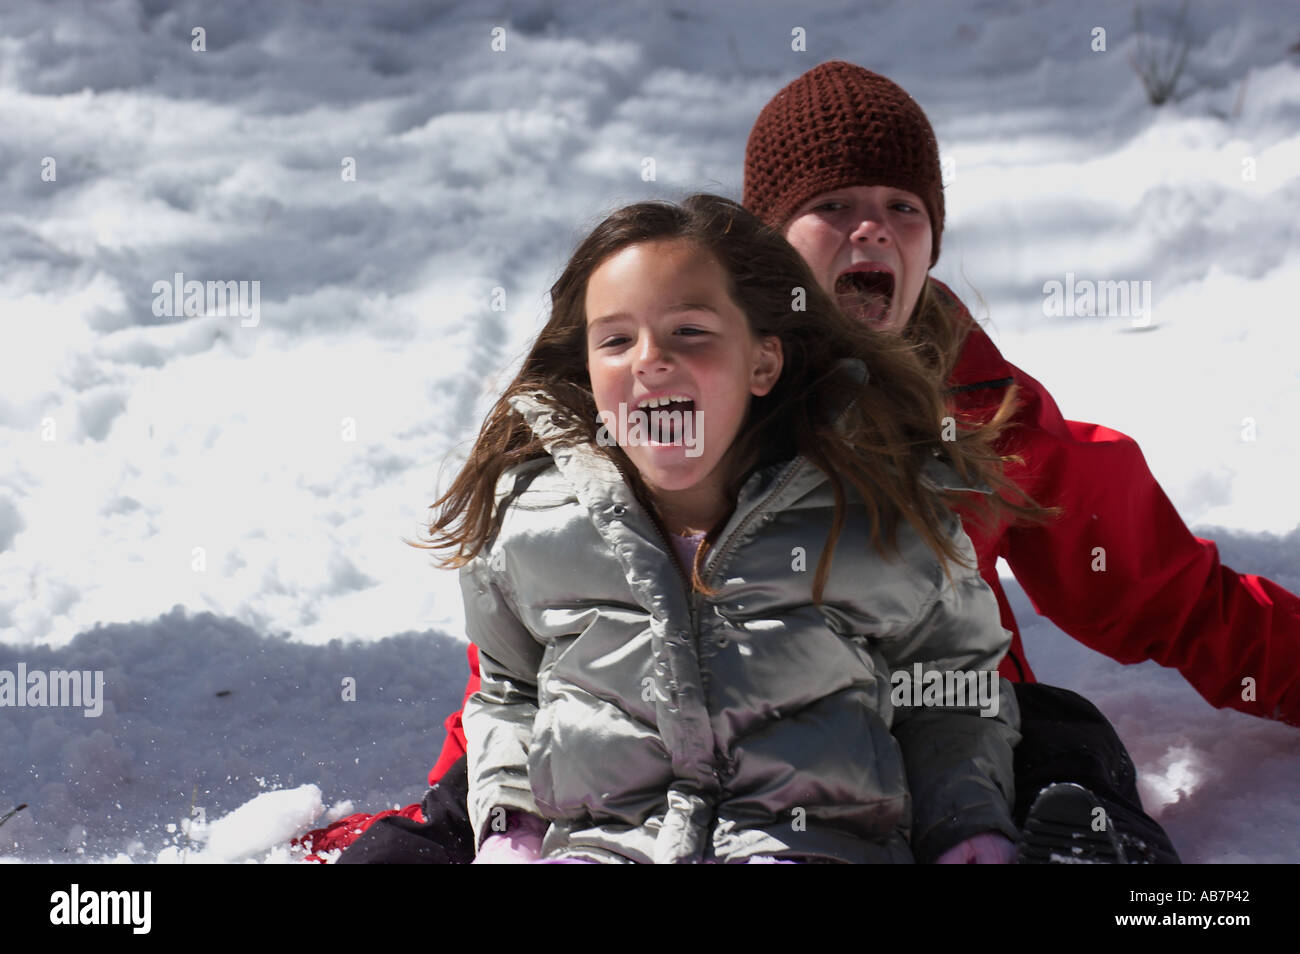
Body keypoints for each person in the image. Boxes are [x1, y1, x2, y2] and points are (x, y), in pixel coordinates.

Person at [304, 60, 1300, 866]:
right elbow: (552, 610)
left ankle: (1095, 855)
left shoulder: (981, 416)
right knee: (511, 759)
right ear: (768, 253)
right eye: (833, 205)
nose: (872, 227)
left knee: (1056, 730)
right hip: (690, 744)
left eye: (903, 208)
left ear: (932, 242)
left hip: (931, 726)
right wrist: (479, 787)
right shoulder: (695, 391)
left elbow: (1168, 596)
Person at [435, 192, 1053, 864]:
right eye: (616, 339)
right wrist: (510, 830)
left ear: (763, 363)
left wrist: (966, 828)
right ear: (587, 367)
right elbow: (510, 694)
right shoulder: (537, 527)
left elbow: (950, 693)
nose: (649, 359)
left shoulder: (872, 520)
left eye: (689, 332)